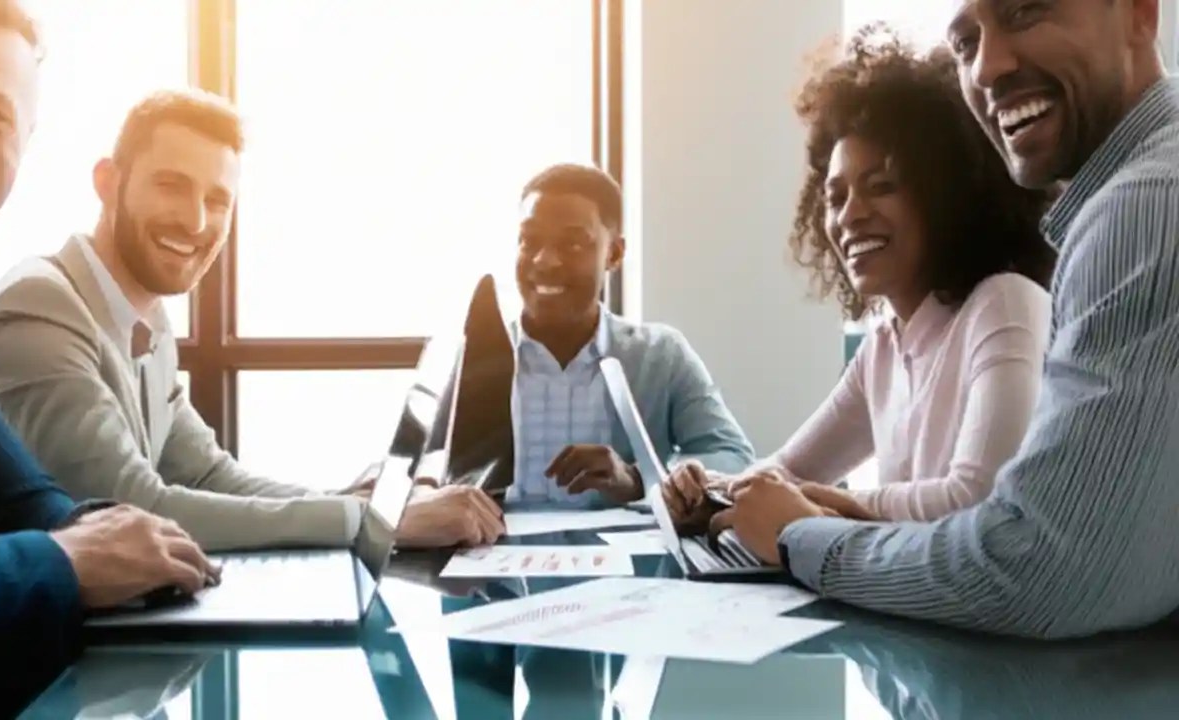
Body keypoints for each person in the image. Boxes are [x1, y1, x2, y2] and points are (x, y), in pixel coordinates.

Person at [722, 0, 1179, 639]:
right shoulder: (886, 343)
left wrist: (804, 534)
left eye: (1025, 12)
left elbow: (1036, 569)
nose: (988, 68)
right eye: (965, 42)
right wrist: (718, 491)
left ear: (1138, 13)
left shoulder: (1141, 208)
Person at [0, 90, 504, 551]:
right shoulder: (38, 310)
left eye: (217, 199)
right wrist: (375, 522)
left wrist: (346, 501)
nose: (197, 220)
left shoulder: (147, 322)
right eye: (171, 185)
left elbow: (208, 473)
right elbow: (127, 507)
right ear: (108, 182)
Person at [0, 0, 216, 710]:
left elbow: (26, 501)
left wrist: (106, 534)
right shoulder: (38, 305)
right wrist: (59, 562)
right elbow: (52, 550)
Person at [664, 29, 1055, 527]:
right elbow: (784, 472)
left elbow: (980, 500)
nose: (849, 215)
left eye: (881, 186)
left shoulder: (1004, 303)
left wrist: (815, 505)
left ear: (950, 194)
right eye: (834, 197)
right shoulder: (883, 349)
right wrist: (706, 488)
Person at [503, 164, 754, 507]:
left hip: (625, 557)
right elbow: (424, 476)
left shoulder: (661, 355)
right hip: (495, 556)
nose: (544, 261)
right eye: (529, 241)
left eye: (573, 243)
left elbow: (733, 457)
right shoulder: (477, 357)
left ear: (615, 254)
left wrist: (640, 478)